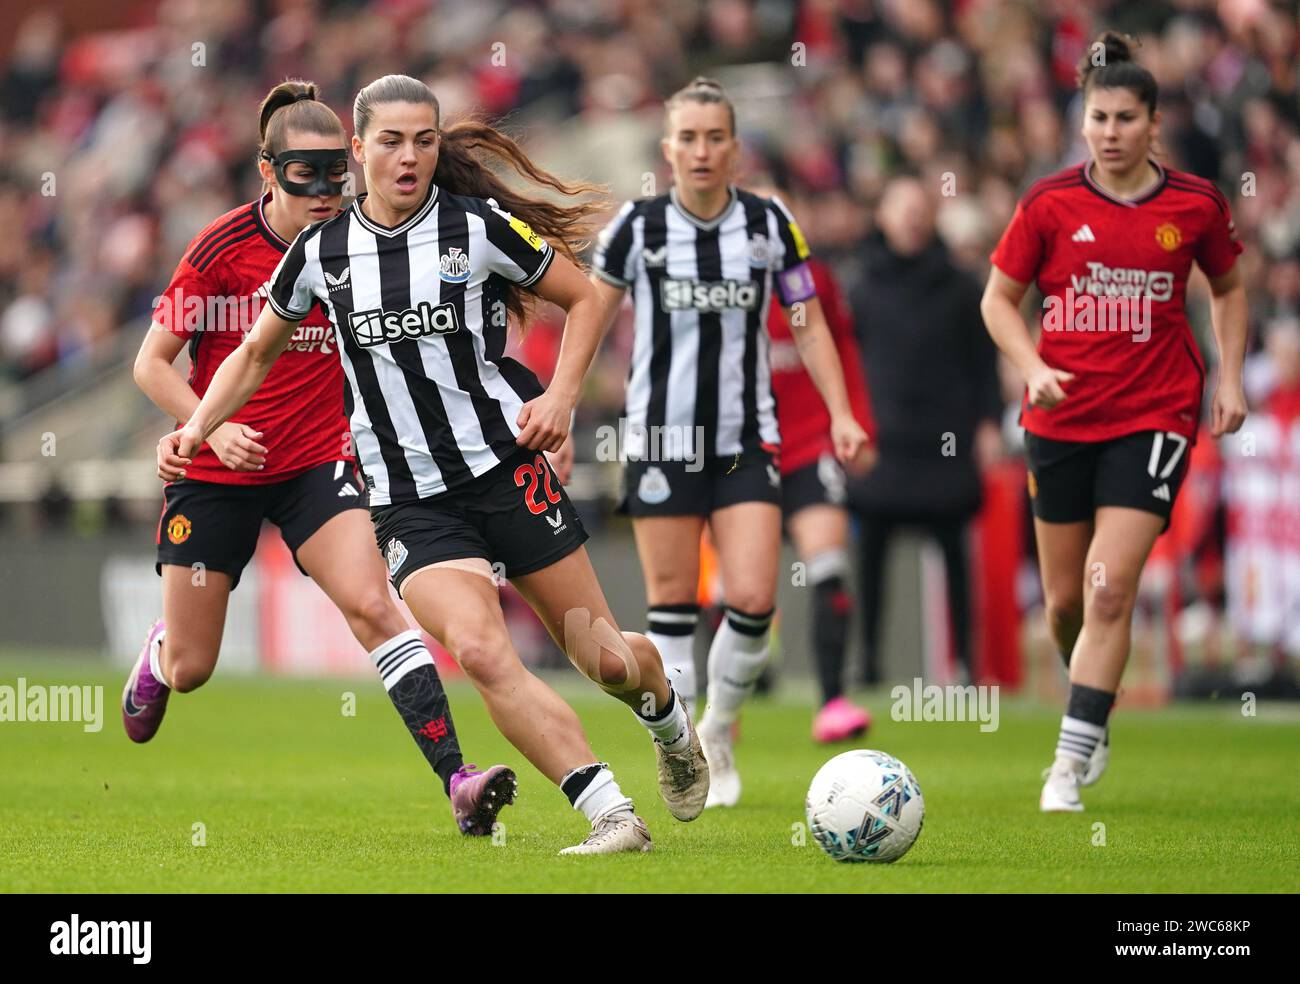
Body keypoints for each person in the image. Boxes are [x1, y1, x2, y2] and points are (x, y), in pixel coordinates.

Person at [157, 74, 708, 855]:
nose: (409, 156)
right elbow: (251, 354)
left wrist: (561, 398)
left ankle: (669, 721)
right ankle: (613, 814)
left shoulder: (477, 229)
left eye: (424, 139)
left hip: (503, 474)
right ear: (359, 150)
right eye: (391, 141)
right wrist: (197, 428)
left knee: (606, 659)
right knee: (482, 652)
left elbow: (583, 299)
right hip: (410, 502)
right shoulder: (321, 252)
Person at [129, 81, 514, 837]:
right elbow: (151, 364)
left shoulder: (353, 243)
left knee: (374, 606)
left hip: (317, 464)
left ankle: (458, 781)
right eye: (305, 176)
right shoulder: (220, 250)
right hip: (216, 470)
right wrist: (206, 428)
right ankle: (162, 650)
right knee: (194, 669)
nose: (325, 192)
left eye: (336, 174)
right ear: (268, 173)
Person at [980, 33, 1247, 811]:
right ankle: (1094, 705)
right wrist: (1032, 368)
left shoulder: (1195, 205)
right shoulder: (1049, 202)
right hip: (1061, 418)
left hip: (1156, 413)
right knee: (1065, 602)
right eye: (1099, 118)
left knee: (1106, 591)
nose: (1110, 132)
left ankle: (1067, 761)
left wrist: (1228, 375)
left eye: (1126, 119)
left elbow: (1228, 288)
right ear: (1082, 120)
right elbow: (998, 299)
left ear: (1154, 124)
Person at [589, 78, 870, 806]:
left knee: (750, 595)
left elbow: (809, 322)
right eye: (688, 138)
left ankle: (719, 726)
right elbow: (591, 311)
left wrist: (840, 411)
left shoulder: (770, 223)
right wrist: (560, 399)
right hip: (661, 439)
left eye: (715, 137)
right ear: (668, 149)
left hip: (747, 437)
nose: (702, 150)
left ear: (736, 148)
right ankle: (681, 749)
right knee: (674, 601)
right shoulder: (638, 227)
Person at [848, 176, 1004, 686]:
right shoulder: (861, 285)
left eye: (921, 209)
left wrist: (987, 424)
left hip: (946, 442)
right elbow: (844, 363)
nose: (913, 218)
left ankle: (963, 665)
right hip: (881, 443)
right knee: (870, 557)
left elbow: (984, 363)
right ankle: (868, 662)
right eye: (902, 208)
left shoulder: (960, 286)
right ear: (882, 217)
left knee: (955, 554)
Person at [761, 193, 878, 740]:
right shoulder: (711, 286)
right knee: (738, 590)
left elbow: (843, 348)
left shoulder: (813, 281)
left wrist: (852, 420)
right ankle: (723, 711)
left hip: (810, 445)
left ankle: (832, 701)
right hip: (742, 450)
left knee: (828, 563)